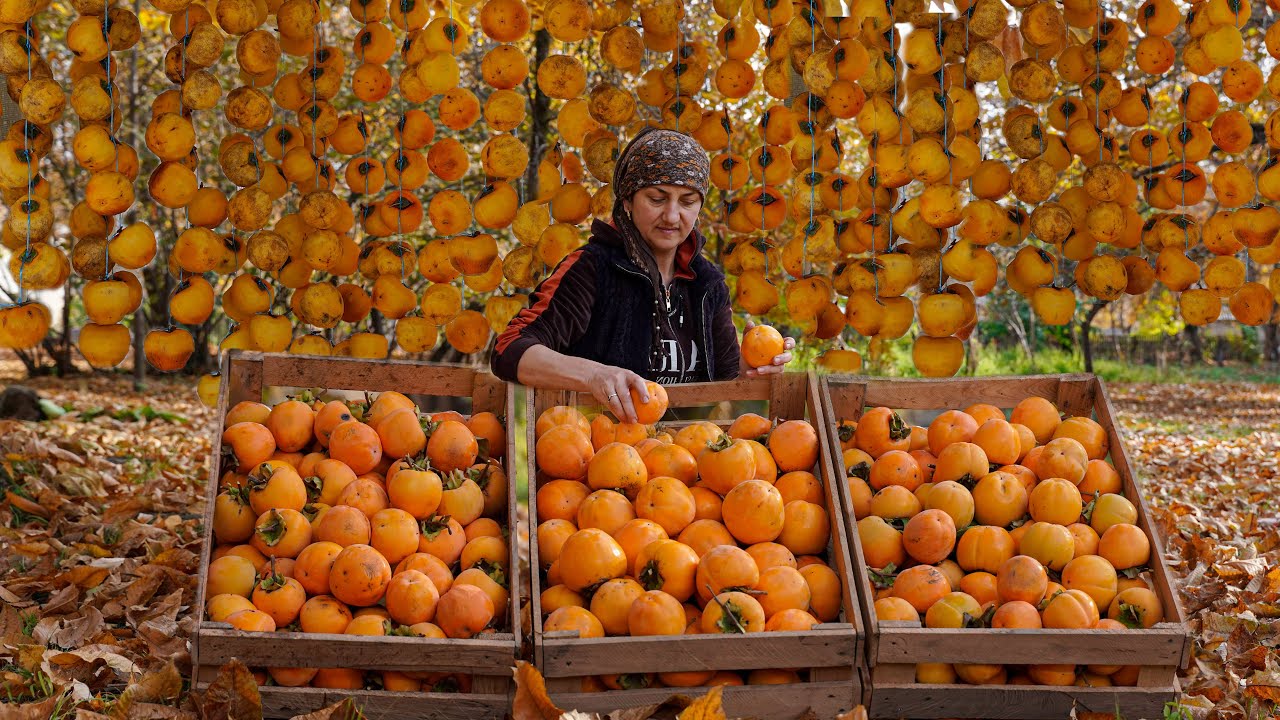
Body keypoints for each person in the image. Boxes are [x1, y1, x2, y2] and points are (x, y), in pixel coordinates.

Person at [491, 126, 795, 423]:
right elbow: (510, 350)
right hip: (591, 458)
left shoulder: (707, 283)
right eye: (657, 198)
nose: (672, 216)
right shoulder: (591, 269)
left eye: (687, 201)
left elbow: (726, 379)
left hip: (683, 460)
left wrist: (753, 366)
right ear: (627, 201)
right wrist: (593, 374)